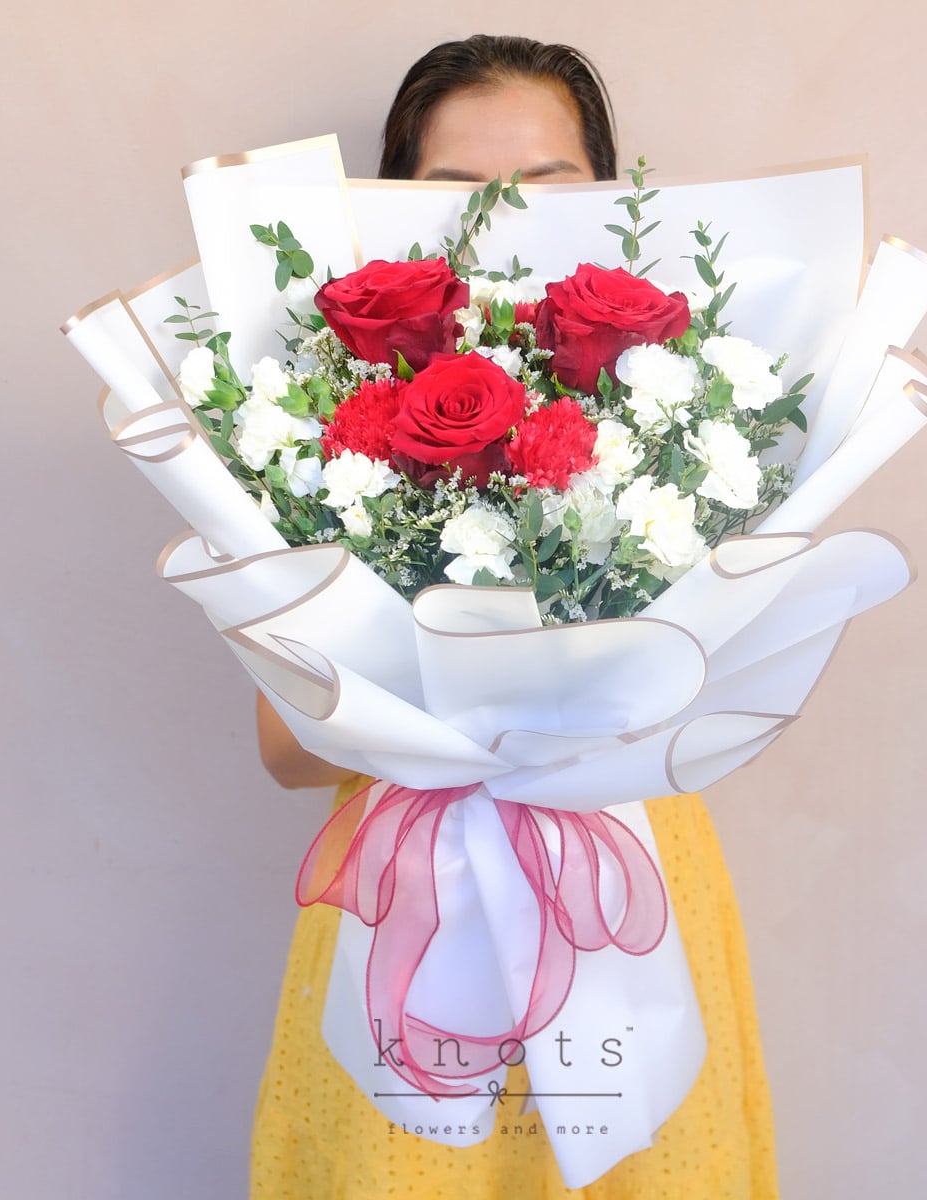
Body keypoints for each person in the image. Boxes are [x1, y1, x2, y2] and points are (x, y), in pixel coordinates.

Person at [250, 35, 778, 1198]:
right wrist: (459, 707)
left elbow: (724, 700)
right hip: (409, 896)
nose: (500, 228)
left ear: (613, 201)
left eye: (549, 193)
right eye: (453, 198)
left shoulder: (696, 414)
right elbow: (285, 747)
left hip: (624, 882)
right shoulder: (325, 423)